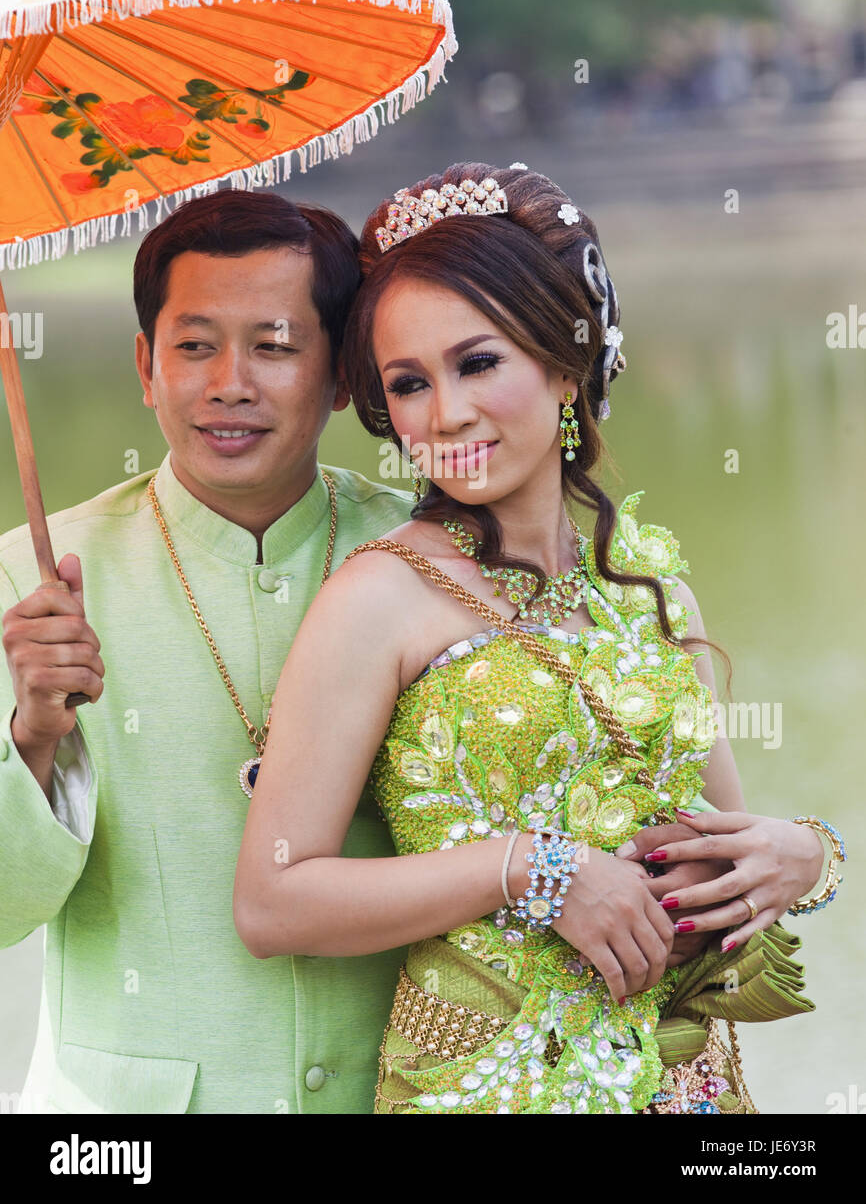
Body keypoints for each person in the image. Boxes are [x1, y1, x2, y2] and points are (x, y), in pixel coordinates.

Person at [234, 162, 845, 1115]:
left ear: (566, 364)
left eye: (478, 363)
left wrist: (804, 857)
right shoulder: (379, 597)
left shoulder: (651, 585)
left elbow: (716, 841)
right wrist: (527, 869)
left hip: (683, 1083)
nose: (447, 415)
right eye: (408, 383)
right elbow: (274, 904)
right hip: (482, 1083)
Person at [0, 189, 415, 1115]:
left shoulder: (429, 557)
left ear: (343, 375)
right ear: (146, 367)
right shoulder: (27, 589)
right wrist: (32, 732)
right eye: (193, 346)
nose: (230, 382)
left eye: (274, 346)